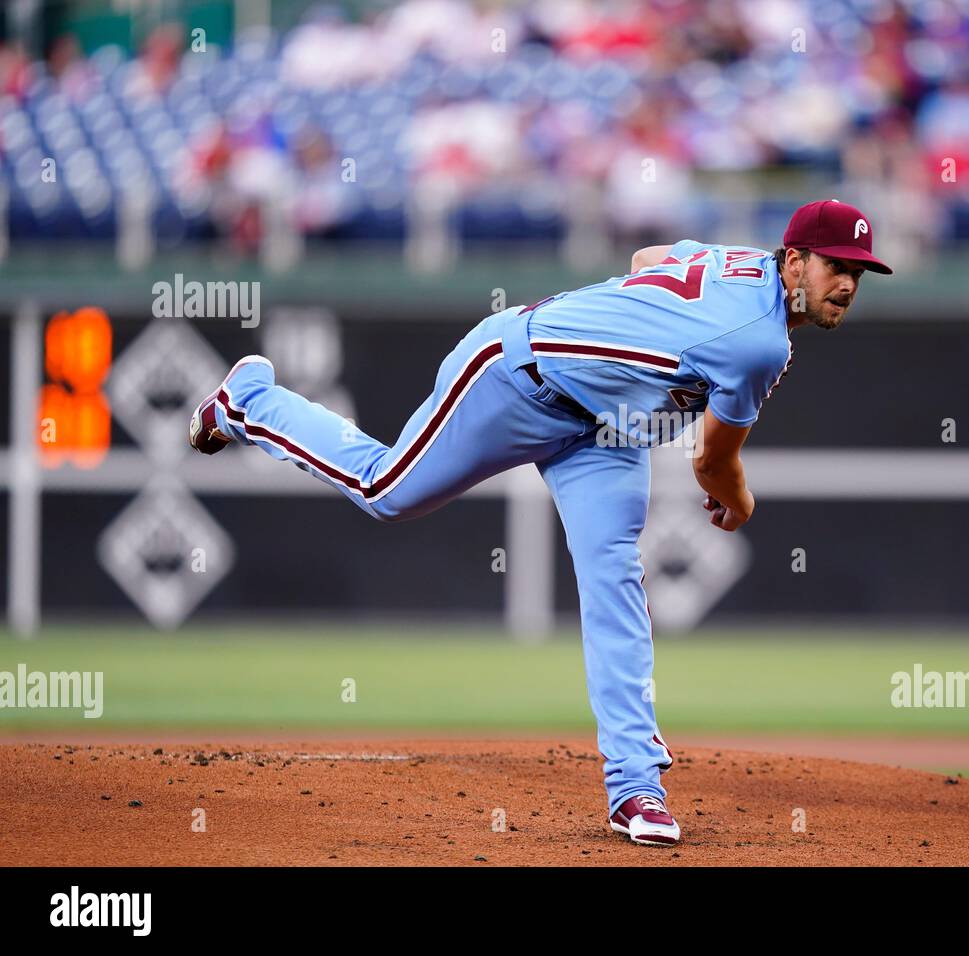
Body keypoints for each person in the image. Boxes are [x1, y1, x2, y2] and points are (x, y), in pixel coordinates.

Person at [188, 199, 892, 846]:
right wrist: (738, 503)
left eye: (860, 272)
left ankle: (635, 790)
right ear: (795, 261)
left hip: (608, 433)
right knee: (388, 489)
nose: (849, 284)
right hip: (517, 376)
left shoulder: (738, 261)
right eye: (837, 266)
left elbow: (649, 261)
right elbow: (713, 465)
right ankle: (251, 402)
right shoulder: (761, 341)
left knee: (615, 584)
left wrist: (633, 341)